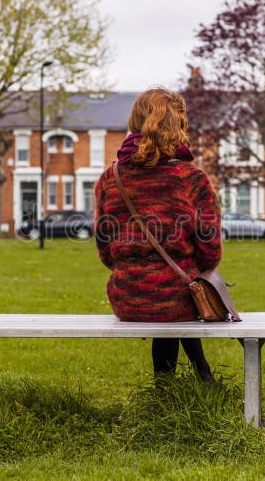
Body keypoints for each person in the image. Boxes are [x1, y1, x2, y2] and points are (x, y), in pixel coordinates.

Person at [94, 87, 222, 382]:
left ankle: (167, 387)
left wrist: (137, 270)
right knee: (181, 295)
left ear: (135, 121)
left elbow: (105, 250)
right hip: (180, 298)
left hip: (128, 296)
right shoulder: (192, 178)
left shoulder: (109, 179)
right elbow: (210, 253)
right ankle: (202, 379)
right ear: (178, 125)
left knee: (173, 301)